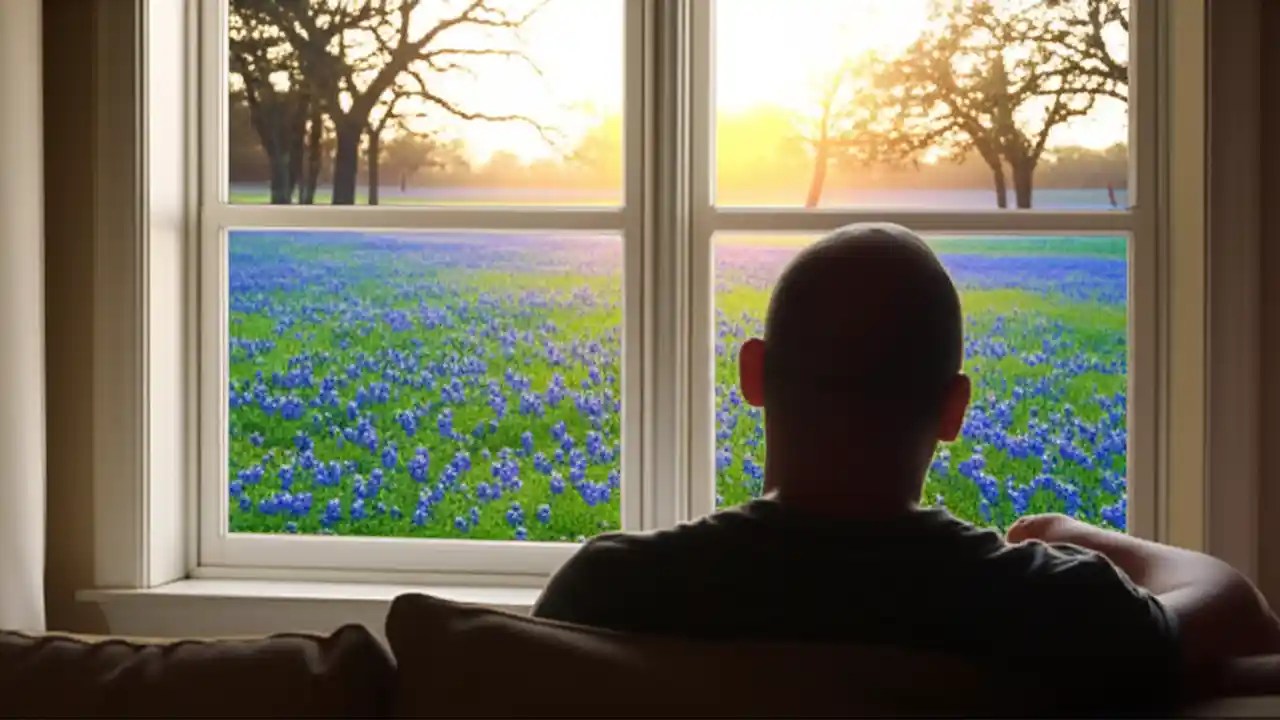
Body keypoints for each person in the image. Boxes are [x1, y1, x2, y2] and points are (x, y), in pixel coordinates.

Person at [532, 222, 1280, 706]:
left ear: (753, 374)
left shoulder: (608, 591)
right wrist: (1070, 531)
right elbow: (1233, 605)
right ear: (955, 410)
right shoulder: (1057, 608)